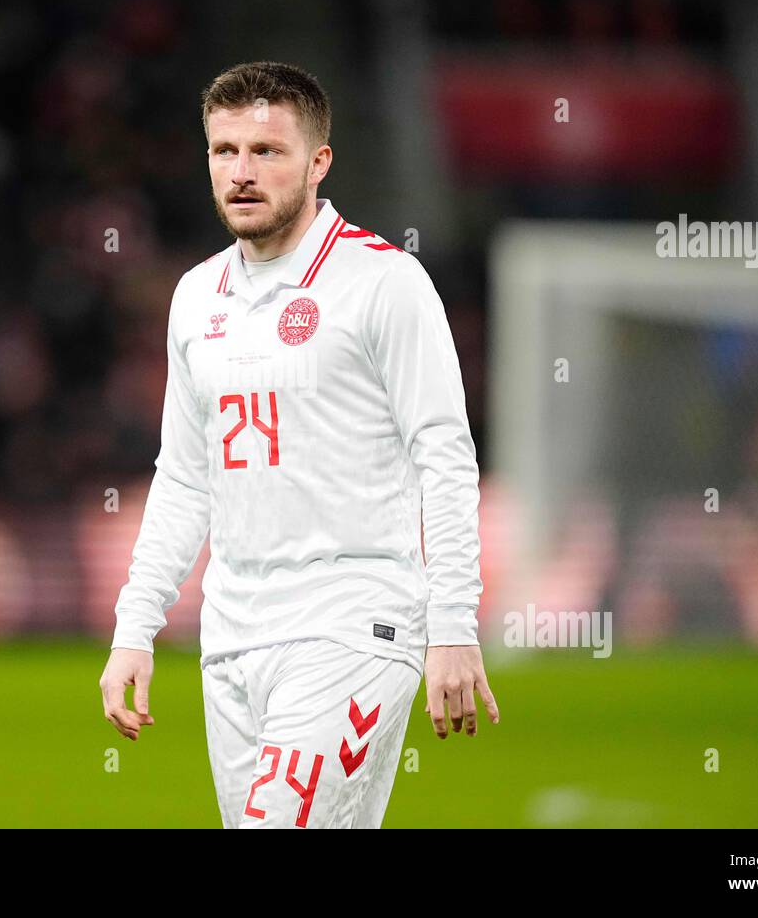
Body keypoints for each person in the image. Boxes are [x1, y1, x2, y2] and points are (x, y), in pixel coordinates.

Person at [99, 61, 498, 828]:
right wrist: (134, 627)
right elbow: (185, 479)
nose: (241, 173)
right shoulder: (195, 297)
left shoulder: (384, 283)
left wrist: (452, 624)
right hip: (232, 636)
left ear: (318, 163)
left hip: (354, 622)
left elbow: (444, 456)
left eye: (266, 151)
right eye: (225, 151)